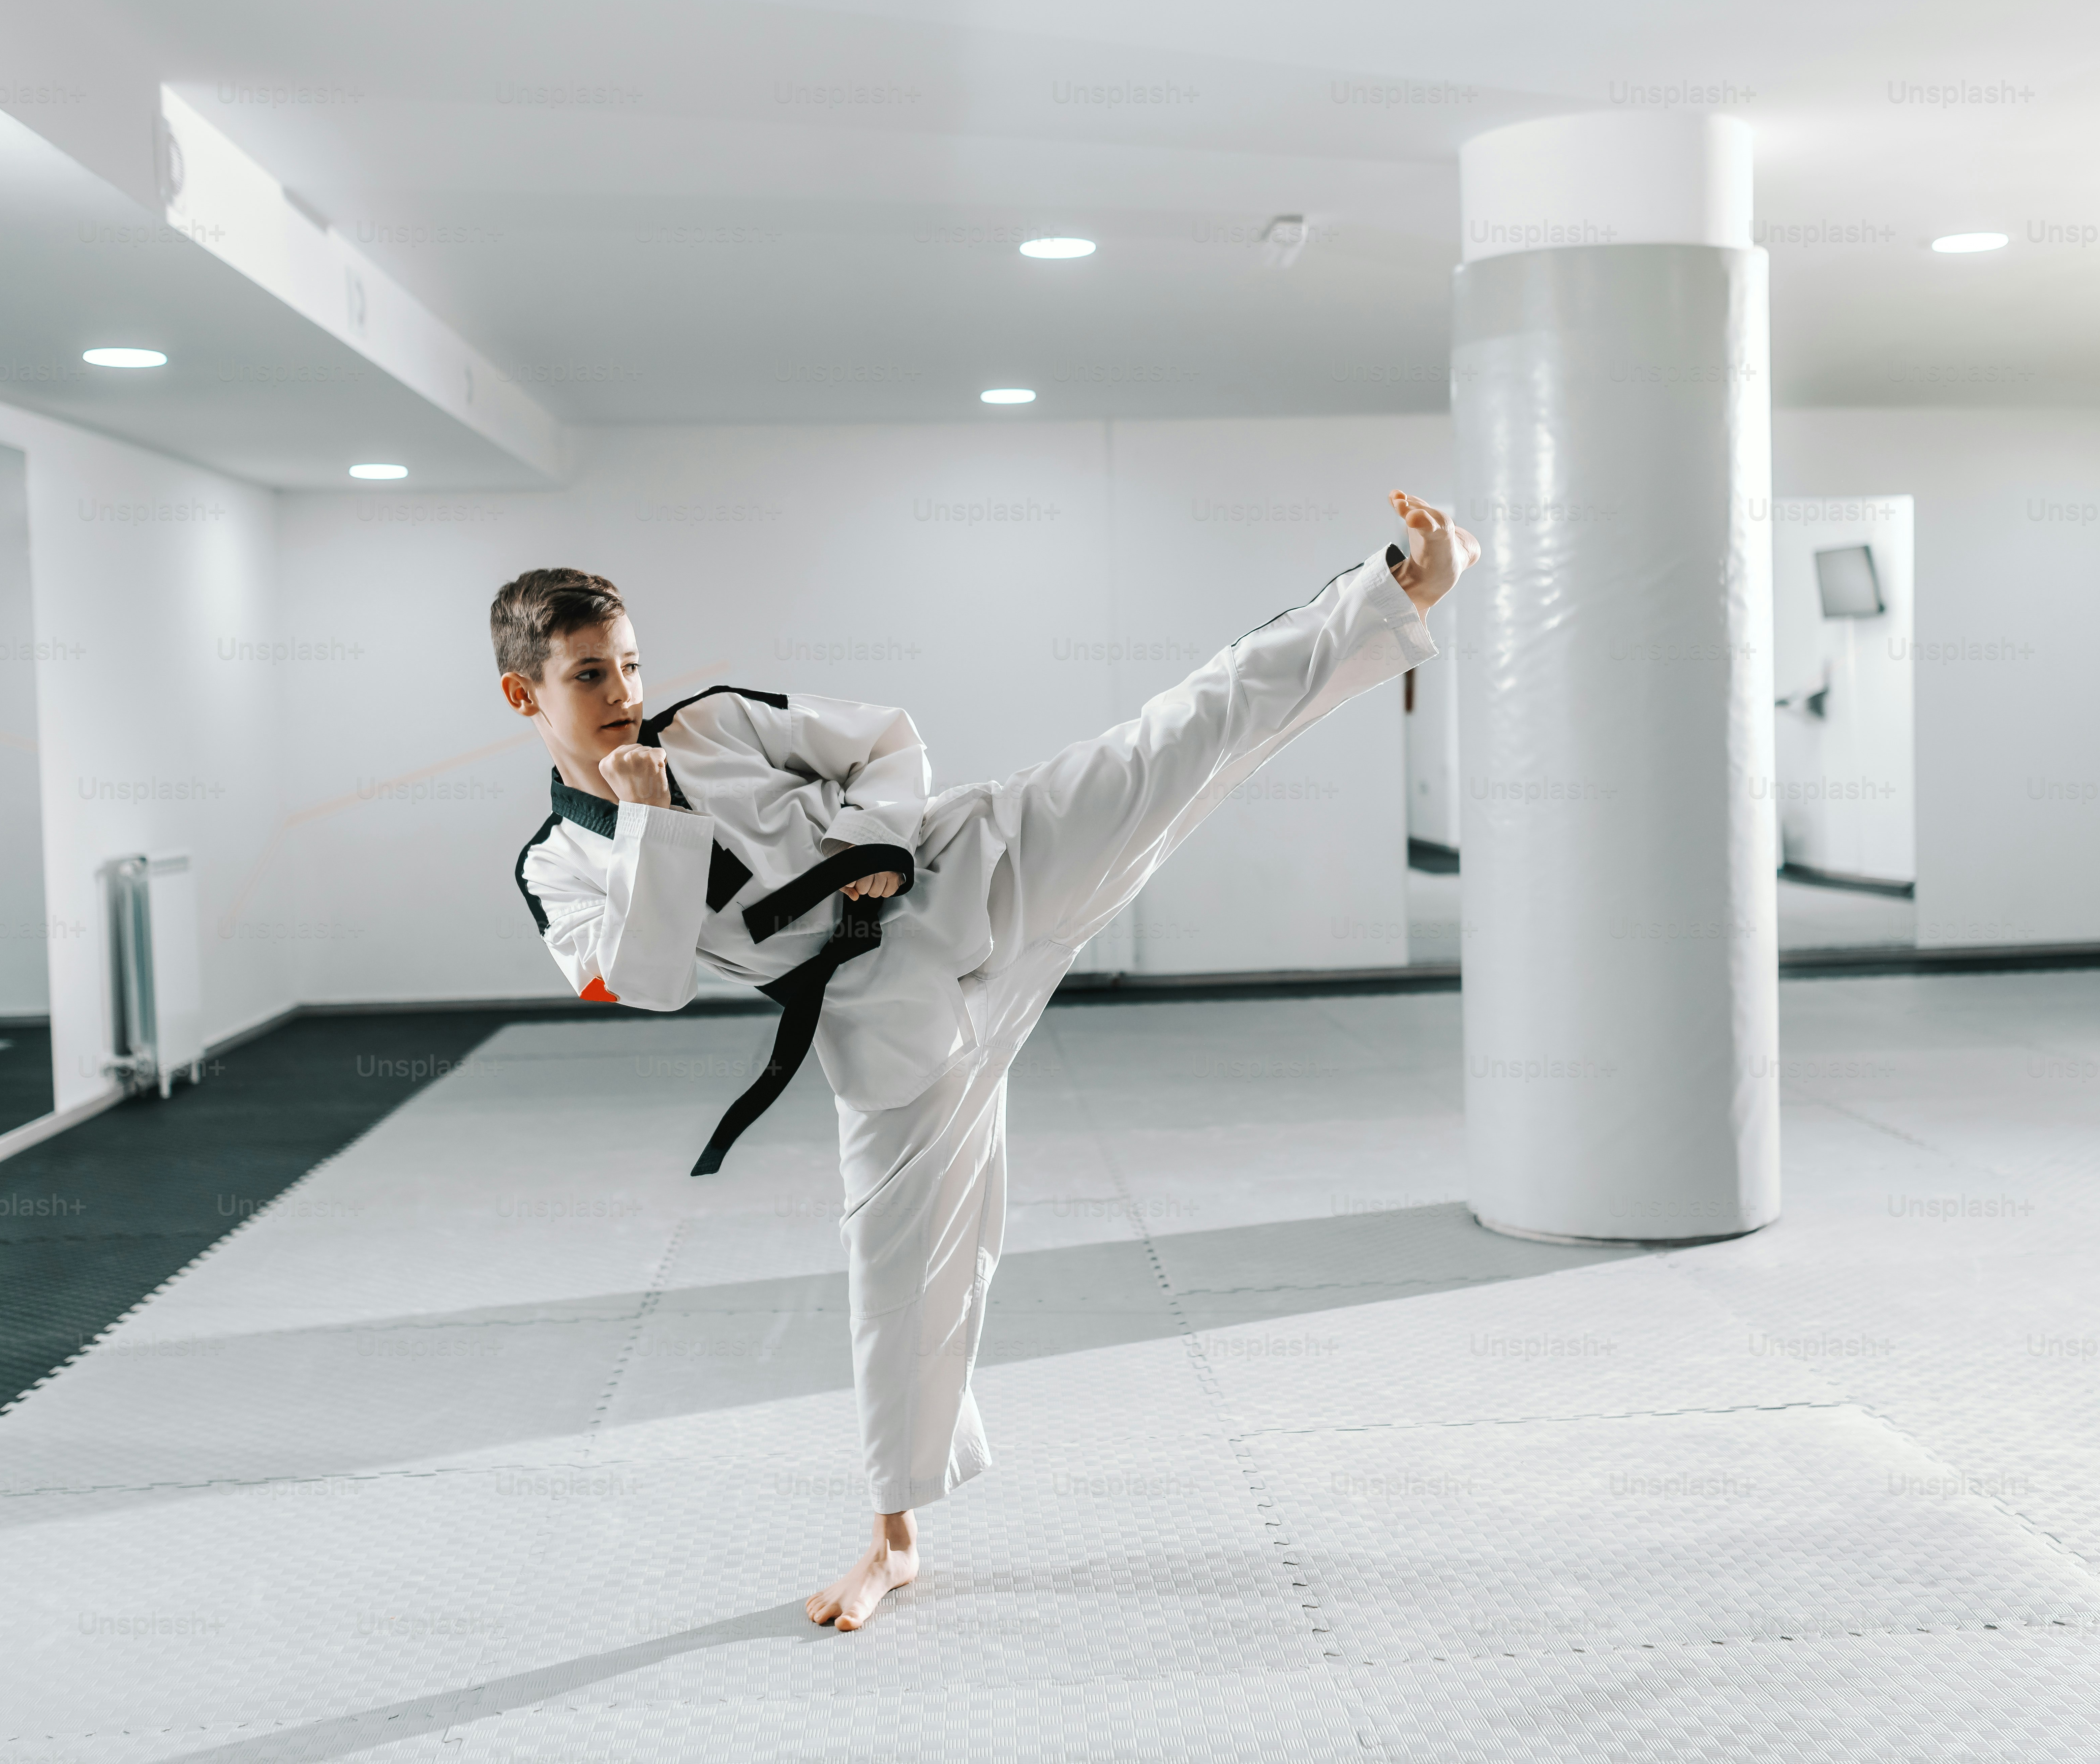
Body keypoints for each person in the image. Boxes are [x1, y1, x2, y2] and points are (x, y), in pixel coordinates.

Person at [495, 490, 1477, 1630]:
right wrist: (655, 822)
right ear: (526, 694)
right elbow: (649, 978)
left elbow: (883, 742)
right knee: (893, 1277)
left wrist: (870, 839)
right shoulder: (555, 866)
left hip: (974, 867)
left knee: (1174, 741)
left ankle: (1396, 593)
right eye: (589, 676)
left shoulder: (713, 721)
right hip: (881, 1018)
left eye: (628, 665)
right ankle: (894, 1542)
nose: (625, 696)